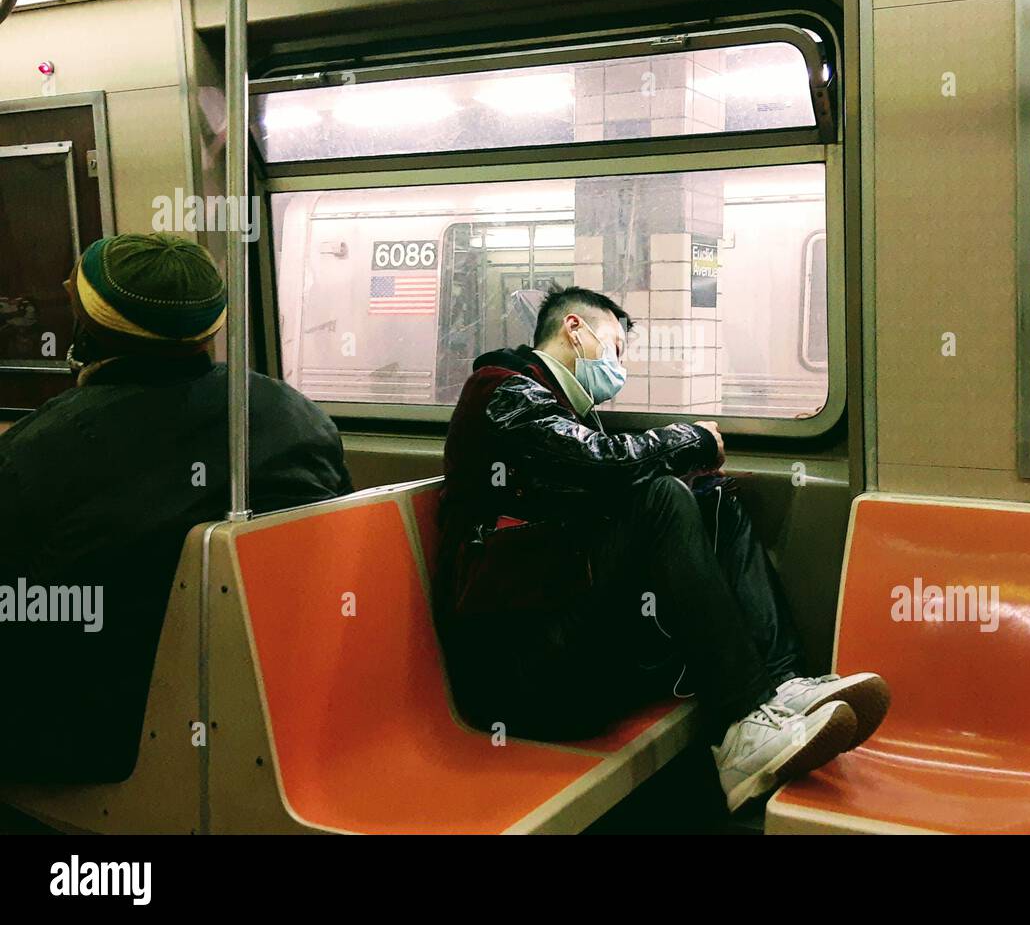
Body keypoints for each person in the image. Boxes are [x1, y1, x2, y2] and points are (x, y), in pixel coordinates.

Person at [435, 285, 890, 812]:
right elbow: (601, 462)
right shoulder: (501, 391)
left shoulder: (560, 411)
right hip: (516, 666)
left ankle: (779, 685)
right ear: (574, 330)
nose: (618, 367)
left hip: (562, 629)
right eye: (615, 348)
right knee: (660, 496)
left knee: (714, 499)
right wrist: (689, 438)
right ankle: (742, 727)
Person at [0, 233, 352, 783]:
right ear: (210, 327)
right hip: (288, 696)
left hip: (93, 734)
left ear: (86, 328)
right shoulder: (295, 414)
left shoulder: (35, 453)